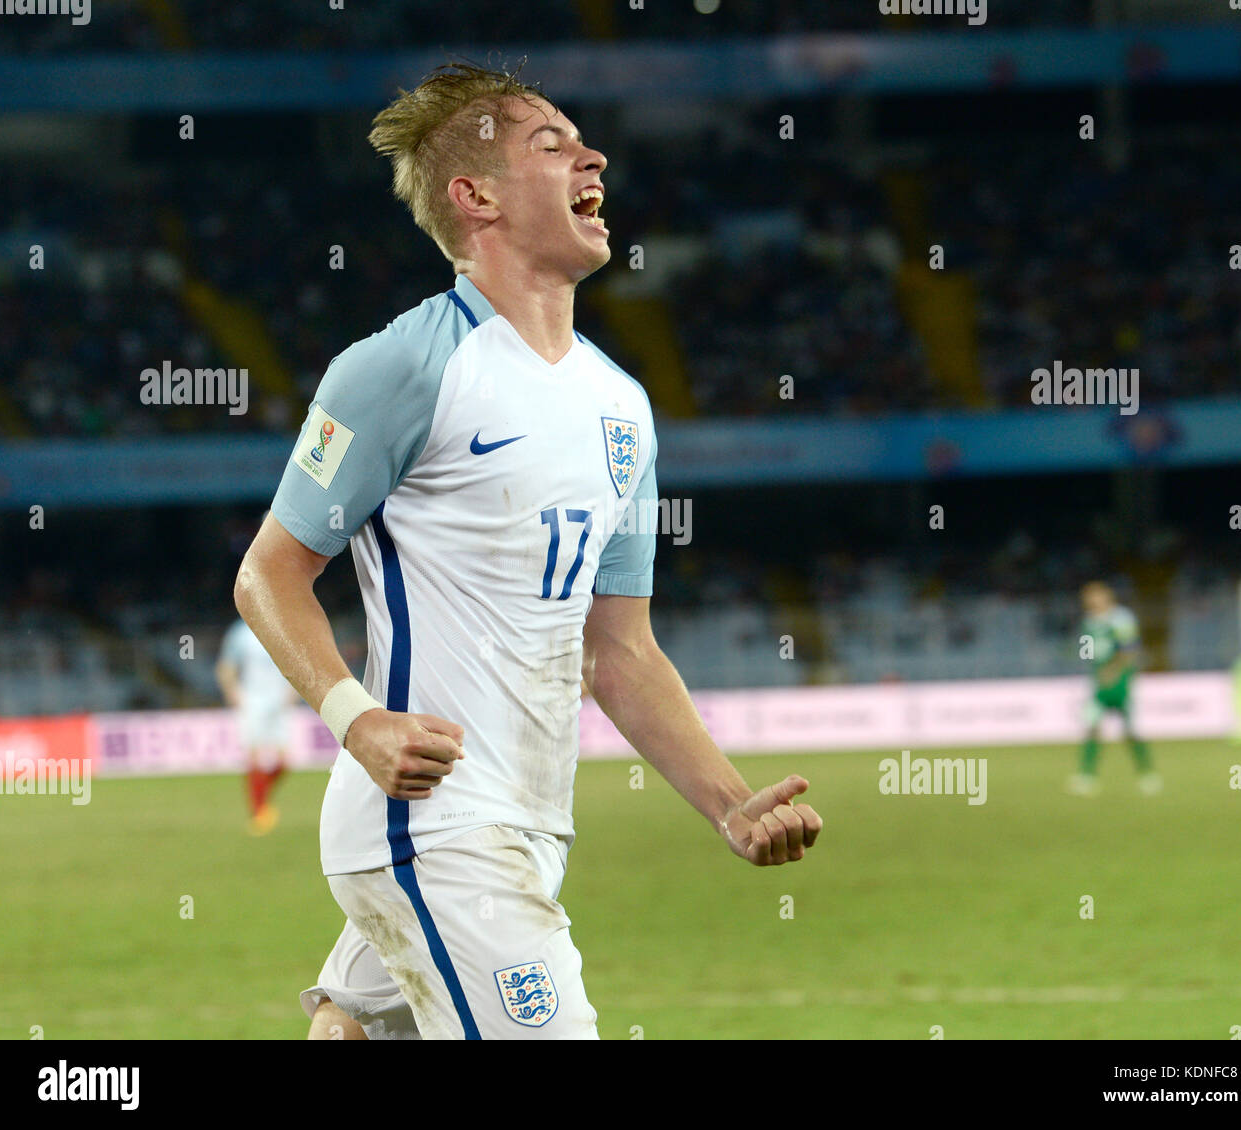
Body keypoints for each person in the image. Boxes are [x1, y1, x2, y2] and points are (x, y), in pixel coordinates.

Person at [233, 62, 822, 1041]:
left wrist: (730, 803)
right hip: (433, 826)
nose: (591, 155)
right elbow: (269, 572)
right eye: (549, 144)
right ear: (476, 197)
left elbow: (618, 650)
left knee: (352, 1030)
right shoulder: (400, 368)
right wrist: (357, 718)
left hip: (532, 824)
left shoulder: (620, 406)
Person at [1069, 581, 1160, 796]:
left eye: (1096, 596)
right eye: (1088, 597)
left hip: (1120, 682)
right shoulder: (1089, 622)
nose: (1092, 601)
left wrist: (1113, 671)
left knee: (1131, 730)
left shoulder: (1121, 618)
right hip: (1099, 682)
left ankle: (1147, 774)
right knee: (1092, 727)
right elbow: (1087, 654)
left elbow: (1130, 651)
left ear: (1107, 596)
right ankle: (1086, 776)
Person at [216, 616, 295, 834]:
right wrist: (232, 692)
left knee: (285, 762)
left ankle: (262, 797)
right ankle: (259, 812)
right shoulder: (240, 632)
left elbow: (297, 661)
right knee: (254, 757)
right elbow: (226, 665)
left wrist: (294, 691)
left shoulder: (282, 624)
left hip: (279, 699)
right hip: (253, 699)